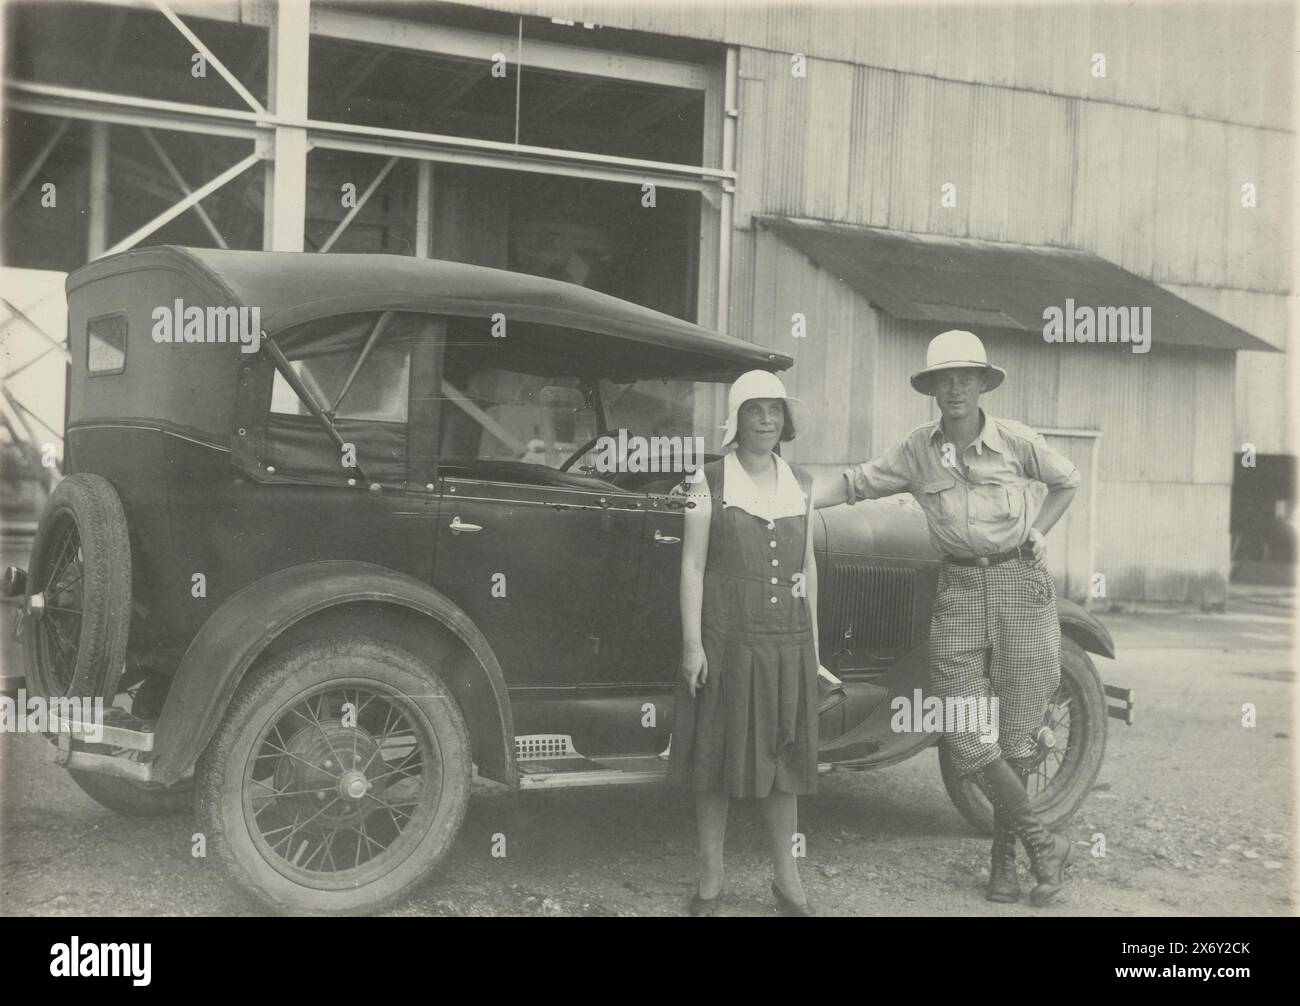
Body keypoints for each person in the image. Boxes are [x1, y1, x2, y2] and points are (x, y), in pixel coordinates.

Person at [813, 330, 1079, 907]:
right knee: (965, 731)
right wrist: (784, 494)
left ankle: (1004, 863)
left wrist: (1038, 531)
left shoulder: (1016, 441)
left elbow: (1067, 480)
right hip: (957, 589)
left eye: (966, 378)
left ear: (983, 384)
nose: (955, 389)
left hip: (1018, 585)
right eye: (944, 379)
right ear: (931, 389)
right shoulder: (917, 450)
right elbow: (857, 483)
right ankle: (1042, 843)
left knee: (1015, 735)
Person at [668, 369, 821, 917]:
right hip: (727, 639)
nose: (766, 420)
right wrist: (693, 643)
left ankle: (788, 882)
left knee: (784, 763)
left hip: (788, 643)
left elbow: (807, 569)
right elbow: (691, 566)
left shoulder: (802, 482)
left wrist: (815, 653)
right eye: (755, 410)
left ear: (786, 421)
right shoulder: (705, 480)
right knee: (716, 758)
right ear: (737, 420)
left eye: (775, 411)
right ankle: (711, 880)